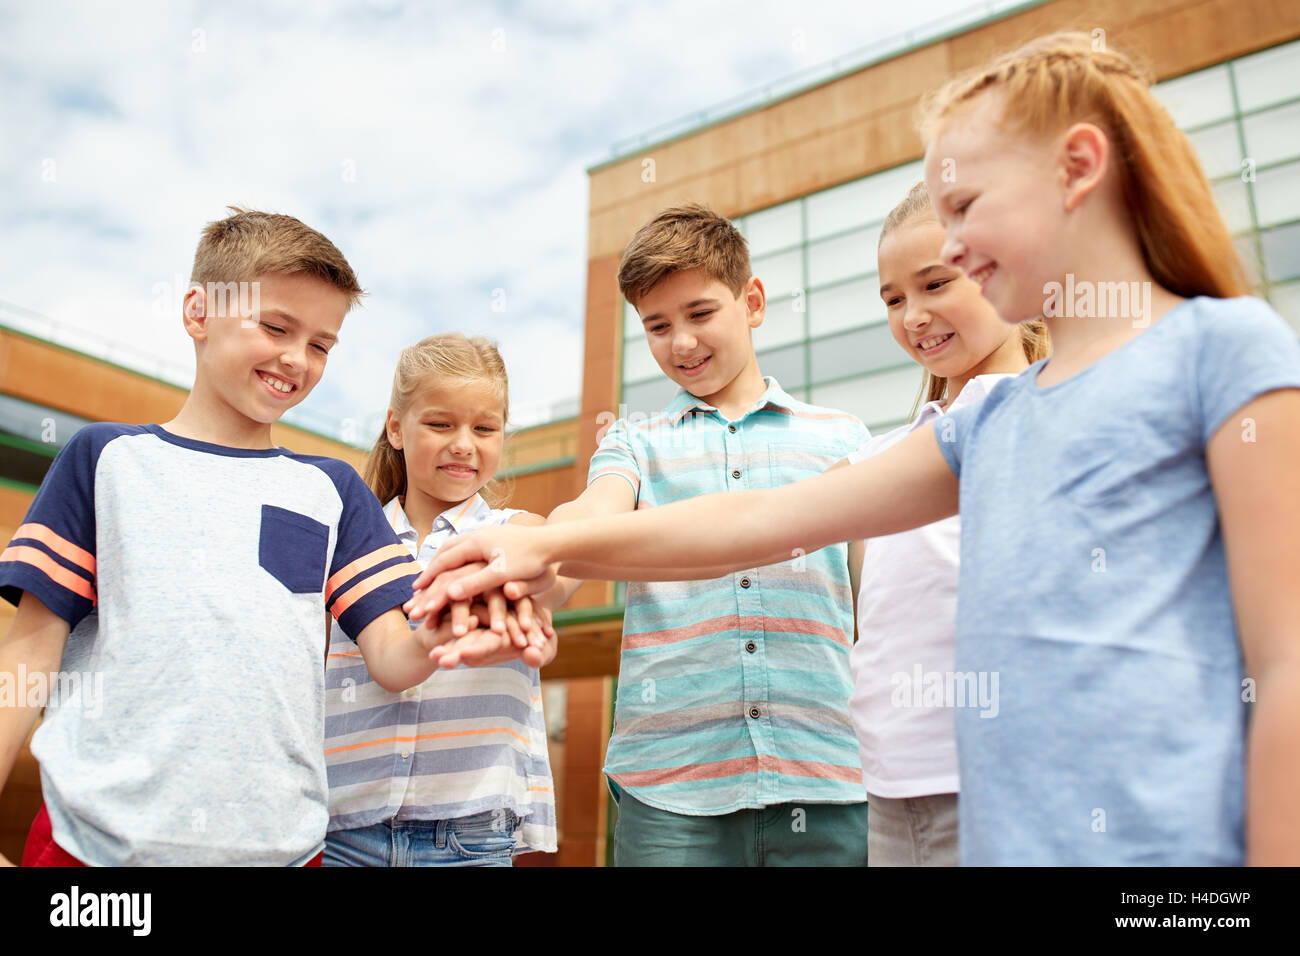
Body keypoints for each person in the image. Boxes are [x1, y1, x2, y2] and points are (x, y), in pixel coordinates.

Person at [414, 34, 1300, 866]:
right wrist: (542, 542)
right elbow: (759, 521)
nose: (949, 243)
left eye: (963, 208)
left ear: (1077, 169)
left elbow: (1285, 663)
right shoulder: (981, 423)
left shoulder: (1223, 351)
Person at [0, 208, 511, 866]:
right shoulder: (103, 461)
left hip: (283, 853)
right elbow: (26, 659)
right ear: (198, 311)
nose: (297, 359)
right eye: (275, 327)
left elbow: (391, 657)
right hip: (93, 852)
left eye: (322, 345)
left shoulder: (332, 491)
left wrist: (444, 632)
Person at [427, 203, 872, 866]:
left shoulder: (842, 438)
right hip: (669, 790)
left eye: (699, 314)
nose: (681, 344)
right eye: (657, 326)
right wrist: (528, 568)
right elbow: (591, 518)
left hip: (828, 776)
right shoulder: (633, 442)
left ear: (752, 301)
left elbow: (876, 599)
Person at [838, 180, 1047, 866]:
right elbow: (756, 523)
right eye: (894, 299)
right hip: (892, 780)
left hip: (989, 777)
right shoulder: (885, 454)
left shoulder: (1038, 410)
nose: (913, 316)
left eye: (935, 284)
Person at [324, 333, 562, 866]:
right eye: (440, 424)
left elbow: (546, 595)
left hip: (469, 837)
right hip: (341, 830)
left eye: (484, 428)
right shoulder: (347, 539)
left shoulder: (520, 534)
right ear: (395, 428)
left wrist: (535, 630)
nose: (463, 444)